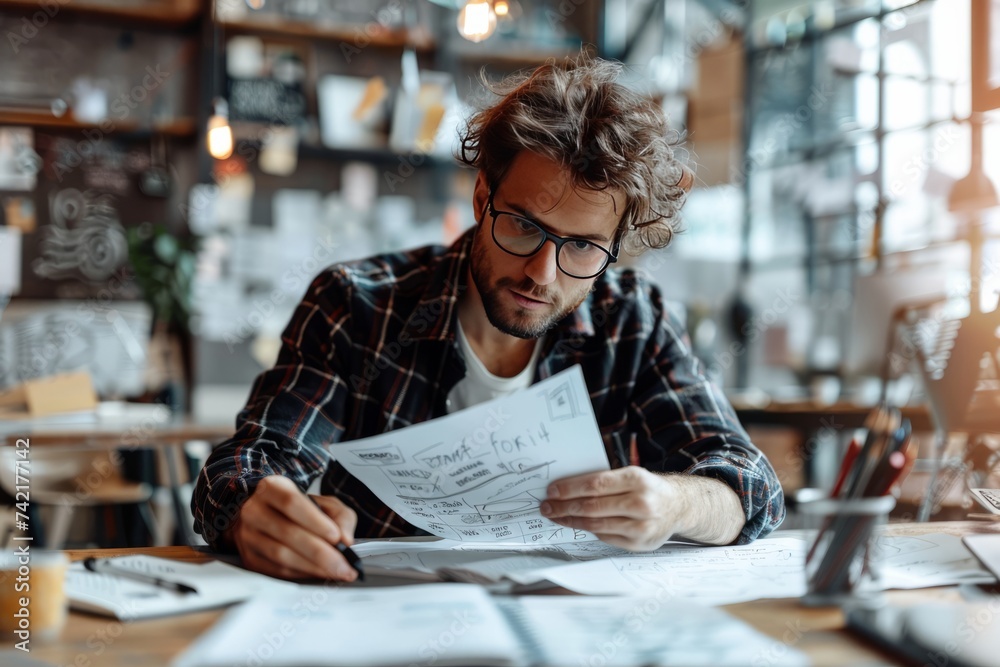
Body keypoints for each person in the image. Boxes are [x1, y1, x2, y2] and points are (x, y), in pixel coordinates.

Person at [192, 55, 785, 582]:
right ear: (482, 199)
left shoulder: (633, 318)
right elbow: (251, 461)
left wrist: (674, 504)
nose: (542, 275)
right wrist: (256, 510)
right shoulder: (356, 304)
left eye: (583, 247)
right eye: (525, 226)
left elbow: (750, 484)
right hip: (385, 622)